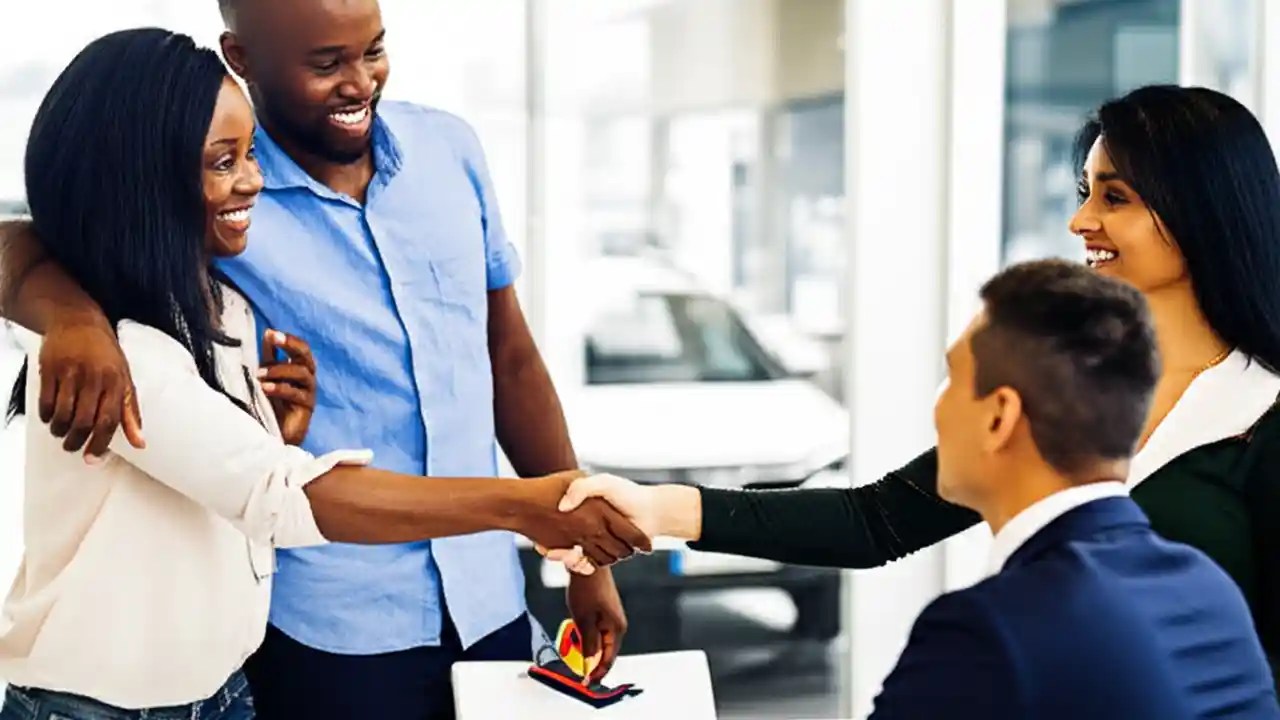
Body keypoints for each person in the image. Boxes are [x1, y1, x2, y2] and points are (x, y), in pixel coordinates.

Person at [0, 26, 646, 720]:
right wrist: (527, 504)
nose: (251, 179)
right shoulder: (123, 350)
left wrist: (273, 432)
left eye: (373, 49)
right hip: (219, 670)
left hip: (249, 686)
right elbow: (275, 493)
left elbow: (507, 358)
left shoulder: (224, 308)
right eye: (223, 162)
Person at [554, 85, 1280, 683]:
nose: (1079, 219)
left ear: (1200, 207)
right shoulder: (1073, 385)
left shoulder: (1262, 412)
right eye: (1086, 191)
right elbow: (878, 520)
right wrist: (656, 508)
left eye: (1114, 198)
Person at [870, 260, 1276, 718]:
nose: (939, 408)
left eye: (954, 382)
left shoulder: (986, 631)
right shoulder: (1209, 591)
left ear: (1000, 416)